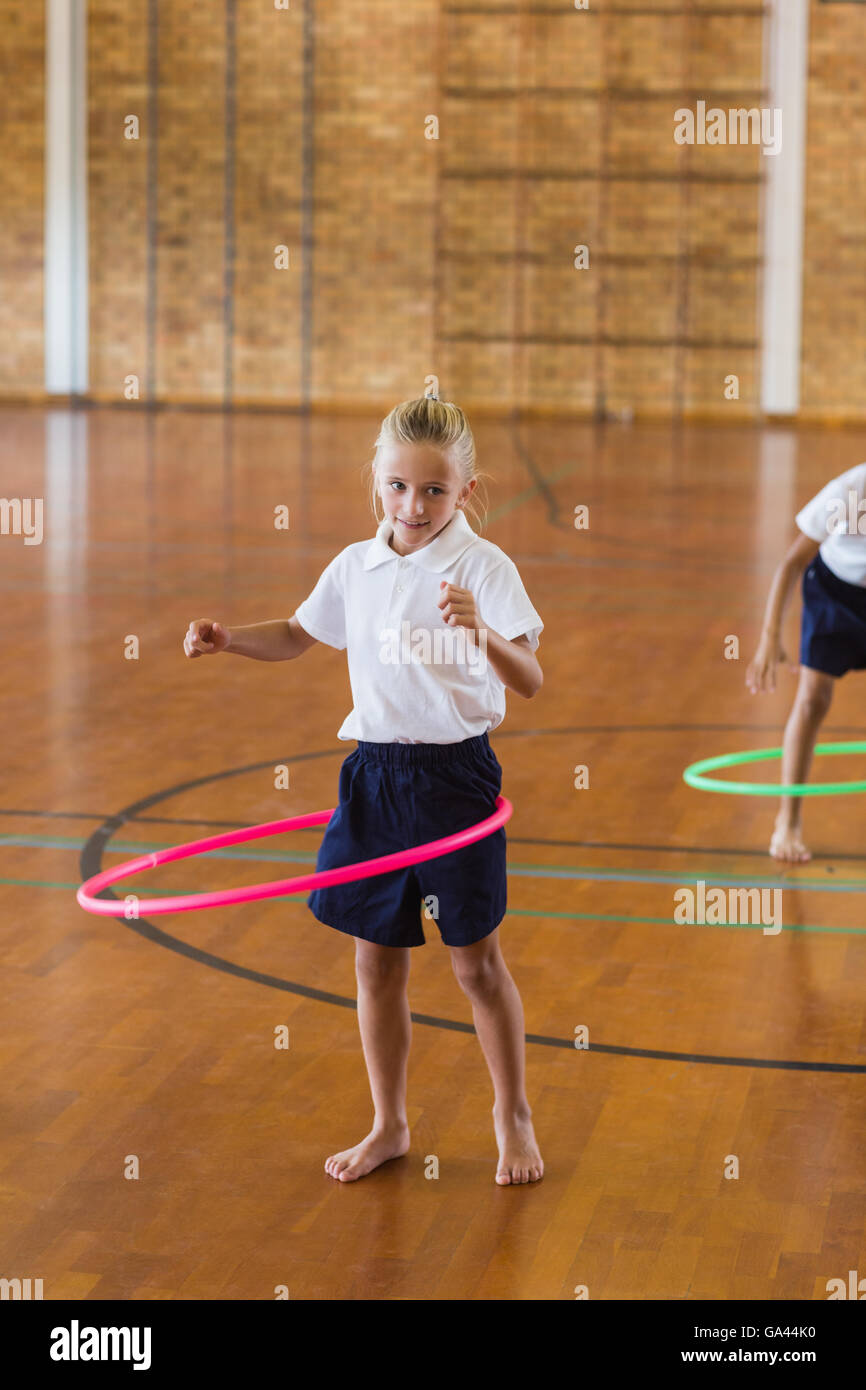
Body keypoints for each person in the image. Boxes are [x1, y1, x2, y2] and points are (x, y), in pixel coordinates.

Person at [183, 395, 545, 1185]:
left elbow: (532, 678)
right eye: (398, 487)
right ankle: (389, 1123)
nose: (414, 507)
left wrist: (480, 630)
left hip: (457, 782)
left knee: (475, 966)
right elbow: (298, 634)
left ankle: (511, 1115)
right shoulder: (357, 565)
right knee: (375, 963)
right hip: (374, 781)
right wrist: (229, 640)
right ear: (376, 482)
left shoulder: (483, 569)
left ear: (468, 491)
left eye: (434, 491)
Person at [746, 461, 866, 862]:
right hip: (834, 593)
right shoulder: (849, 490)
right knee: (813, 699)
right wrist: (769, 639)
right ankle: (788, 821)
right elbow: (792, 563)